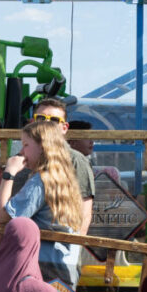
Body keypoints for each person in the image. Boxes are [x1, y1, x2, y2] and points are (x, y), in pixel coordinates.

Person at [0, 117, 86, 284]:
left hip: (43, 265)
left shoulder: (41, 180)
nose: (22, 151)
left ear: (43, 147)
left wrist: (9, 174)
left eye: (26, 145)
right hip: (66, 263)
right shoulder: (63, 178)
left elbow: (2, 217)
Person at [31, 95, 96, 235]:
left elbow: (84, 213)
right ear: (32, 122)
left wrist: (75, 248)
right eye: (41, 118)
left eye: (54, 120)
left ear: (64, 128)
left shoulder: (76, 161)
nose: (47, 124)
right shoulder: (22, 158)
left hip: (58, 250)